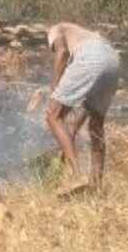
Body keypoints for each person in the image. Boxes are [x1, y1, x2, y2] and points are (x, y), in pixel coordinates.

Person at [44, 22, 122, 195]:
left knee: (52, 115)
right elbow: (88, 100)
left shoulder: (55, 30)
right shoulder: (83, 33)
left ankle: (77, 176)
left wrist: (54, 93)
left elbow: (62, 53)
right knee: (96, 126)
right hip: (113, 61)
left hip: (92, 57)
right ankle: (98, 188)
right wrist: (72, 130)